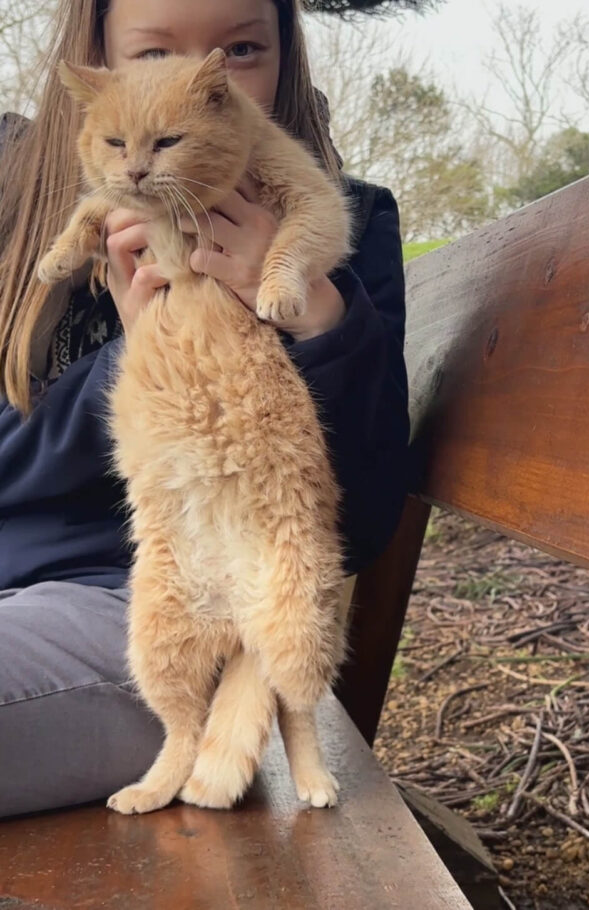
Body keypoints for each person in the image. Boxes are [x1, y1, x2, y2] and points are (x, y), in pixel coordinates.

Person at [0, 0, 409, 817]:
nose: (205, 72)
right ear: (101, 62)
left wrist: (319, 319)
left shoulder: (346, 230)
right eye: (155, 50)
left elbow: (355, 518)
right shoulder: (33, 219)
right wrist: (138, 348)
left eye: (243, 47)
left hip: (150, 595)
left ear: (286, 54)